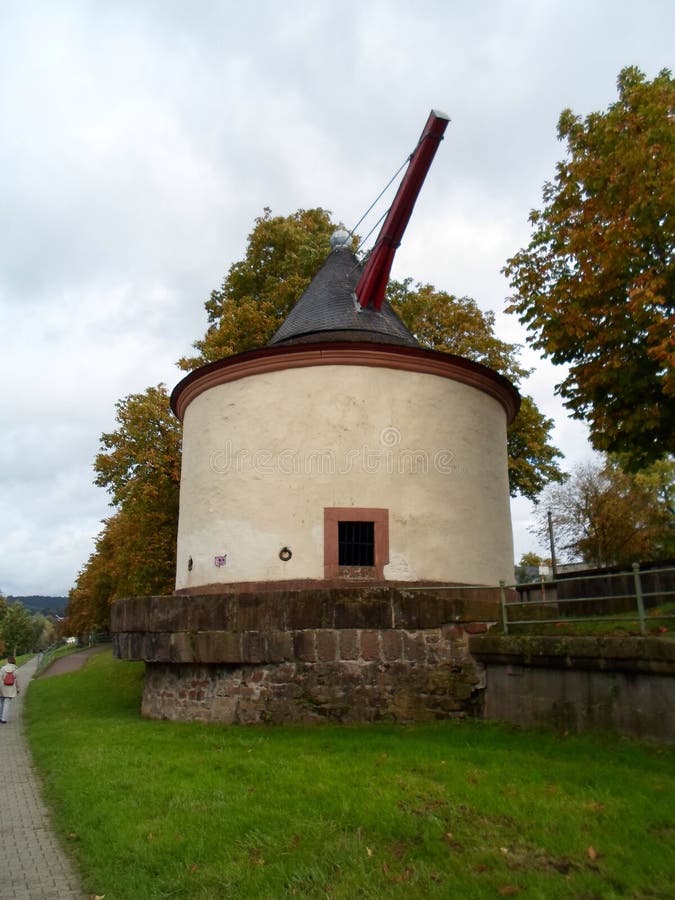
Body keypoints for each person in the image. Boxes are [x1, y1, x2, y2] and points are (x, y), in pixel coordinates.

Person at [0, 655, 20, 723]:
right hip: (11, 689)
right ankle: (3, 719)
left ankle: (0, 716)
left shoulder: (2, 669)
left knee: (1, 702)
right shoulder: (16, 669)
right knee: (7, 704)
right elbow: (17, 681)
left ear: (7, 661)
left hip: (2, 688)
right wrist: (18, 689)